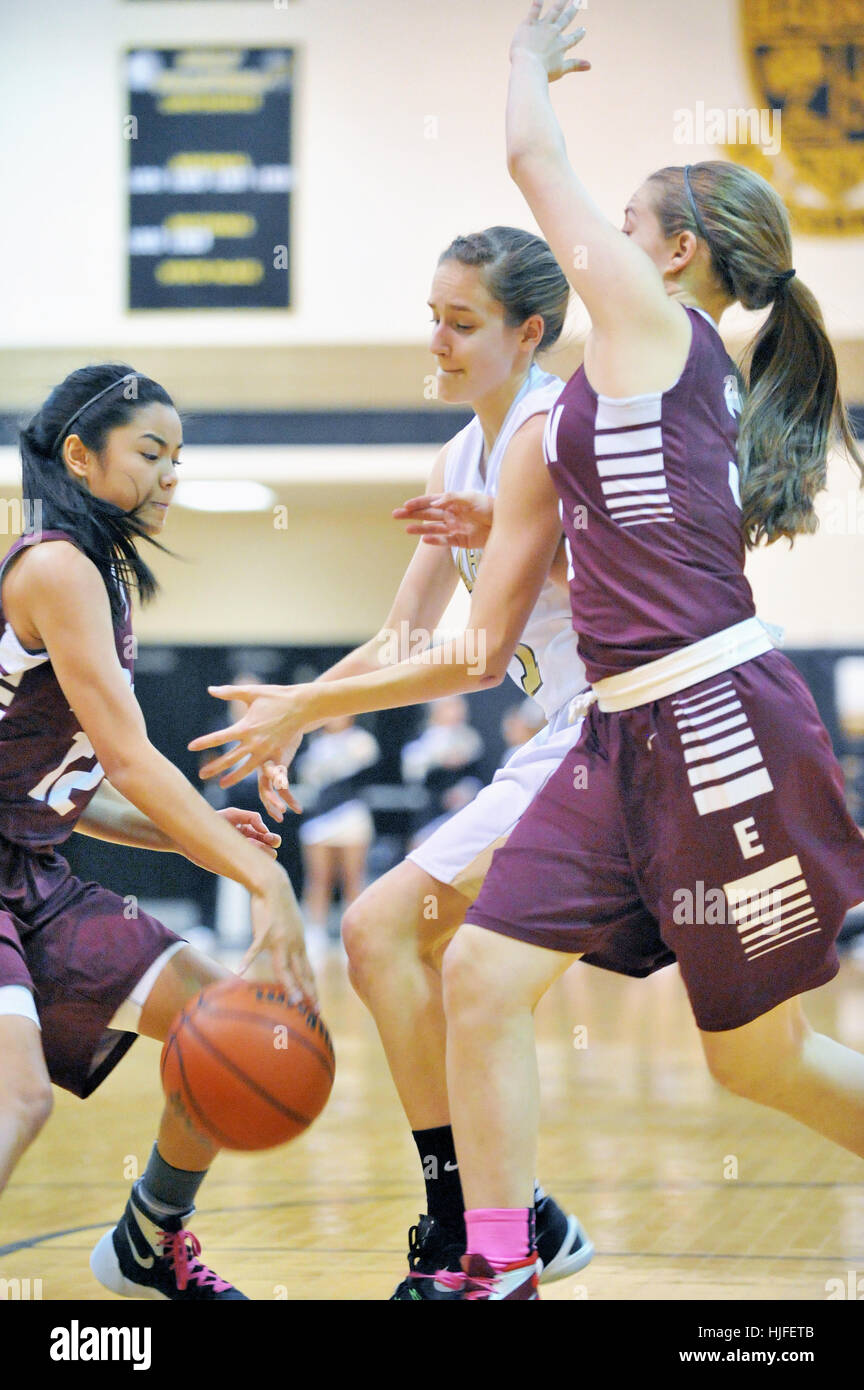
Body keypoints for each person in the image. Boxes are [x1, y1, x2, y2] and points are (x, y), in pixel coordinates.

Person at [192, 0, 864, 1301]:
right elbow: (492, 595)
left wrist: (523, 63)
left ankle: (497, 1231)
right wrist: (494, 521)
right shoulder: (598, 398)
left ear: (669, 253)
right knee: (480, 974)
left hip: (714, 718)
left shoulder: (658, 332)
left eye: (626, 219)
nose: (601, 231)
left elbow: (532, 163)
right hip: (620, 728)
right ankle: (497, 1258)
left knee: (758, 1061)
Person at [190, 225, 595, 1297]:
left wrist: (310, 707)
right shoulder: (459, 452)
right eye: (434, 316)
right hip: (556, 732)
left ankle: (497, 1229)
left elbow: (477, 656)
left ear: (531, 331)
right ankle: (484, 1217)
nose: (440, 339)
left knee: (414, 947)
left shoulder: (552, 429)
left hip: (610, 725)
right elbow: (406, 636)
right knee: (384, 938)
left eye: (463, 323)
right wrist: (297, 711)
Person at [0, 365, 314, 1301]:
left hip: (33, 869)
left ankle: (148, 1238)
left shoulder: (105, 578)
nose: (172, 474)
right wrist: (268, 885)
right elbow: (133, 760)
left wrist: (185, 837)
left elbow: (70, 789)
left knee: (230, 1029)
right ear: (78, 456)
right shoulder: (54, 564)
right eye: (151, 453)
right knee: (20, 1098)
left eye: (180, 456)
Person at [295, 714, 380, 960]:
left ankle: (352, 935)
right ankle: (315, 932)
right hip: (320, 817)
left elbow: (365, 772)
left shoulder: (362, 741)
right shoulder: (313, 743)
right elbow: (307, 777)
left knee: (353, 877)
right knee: (318, 877)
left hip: (351, 815)